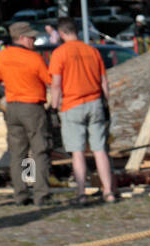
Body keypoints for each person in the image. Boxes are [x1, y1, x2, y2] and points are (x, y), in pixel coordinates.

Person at [49, 19, 116, 205]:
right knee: (99, 150)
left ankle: (81, 192)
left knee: (77, 152)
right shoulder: (92, 51)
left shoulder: (59, 53)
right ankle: (108, 191)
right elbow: (104, 82)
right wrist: (106, 102)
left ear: (61, 33)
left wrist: (54, 107)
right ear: (76, 32)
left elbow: (56, 84)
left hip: (72, 104)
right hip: (94, 103)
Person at [0, 22, 52, 207]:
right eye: (31, 37)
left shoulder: (2, 56)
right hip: (32, 107)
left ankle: (21, 193)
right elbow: (49, 80)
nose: (34, 40)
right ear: (22, 38)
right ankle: (41, 194)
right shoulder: (34, 59)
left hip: (12, 108)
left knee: (19, 153)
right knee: (39, 150)